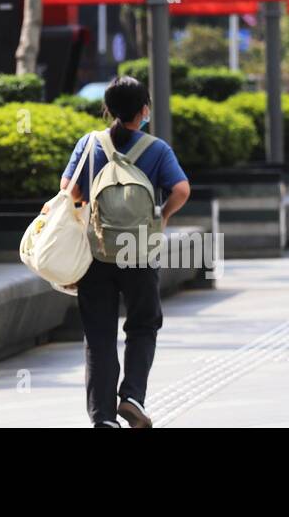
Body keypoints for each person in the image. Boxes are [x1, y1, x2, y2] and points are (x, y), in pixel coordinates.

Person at [61, 76, 191, 429]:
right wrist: (162, 216)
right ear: (144, 109)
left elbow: (69, 191)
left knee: (99, 336)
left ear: (109, 109)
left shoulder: (89, 144)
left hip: (96, 254)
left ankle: (103, 419)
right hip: (139, 252)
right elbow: (181, 188)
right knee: (143, 324)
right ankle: (132, 396)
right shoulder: (157, 149)